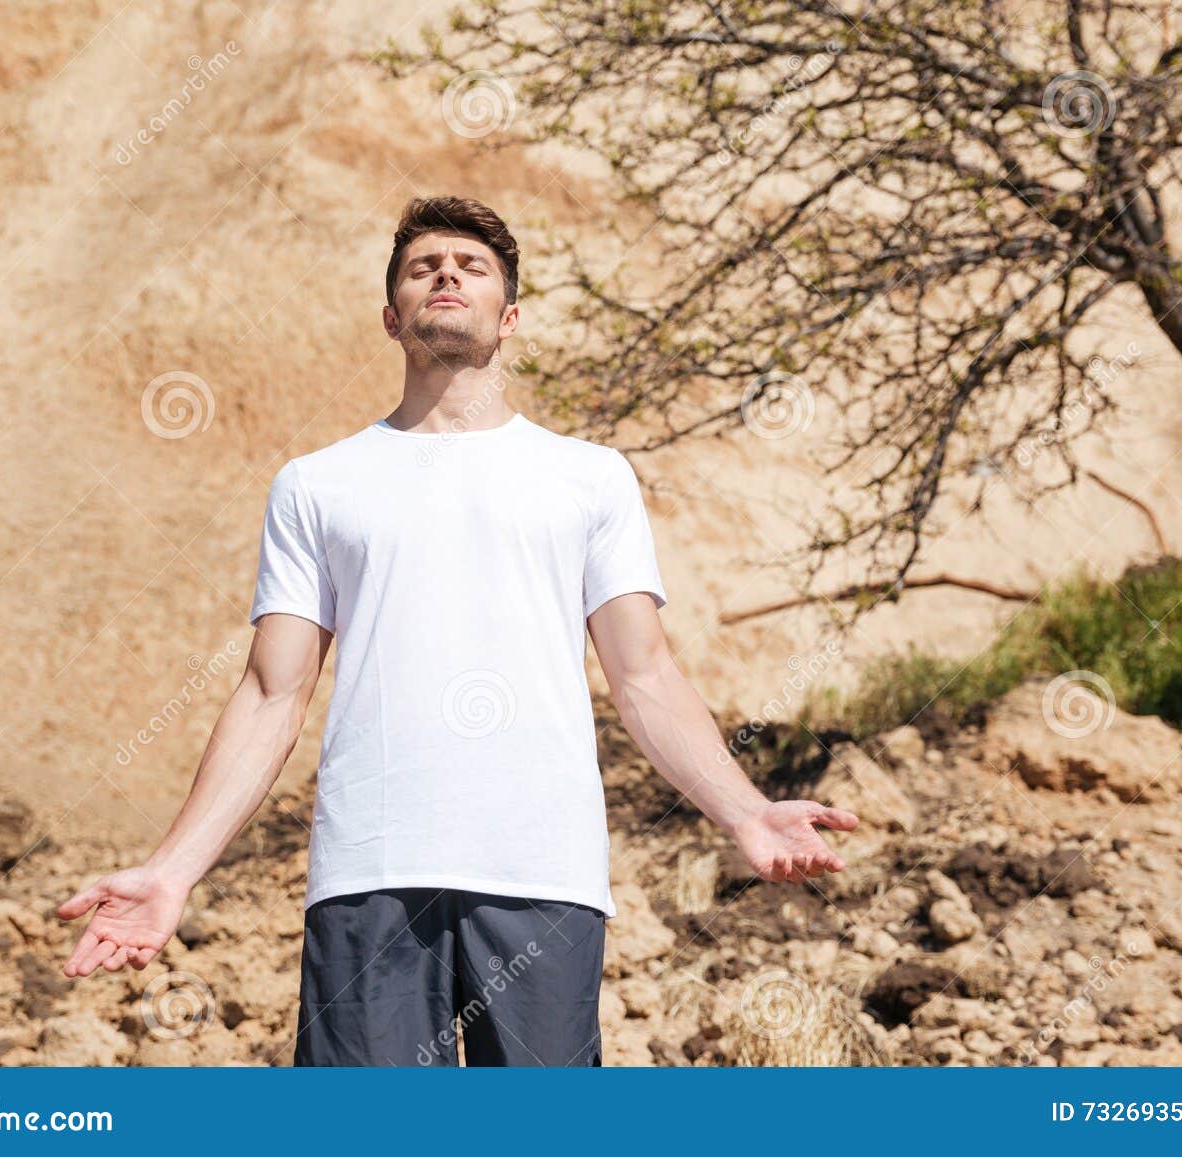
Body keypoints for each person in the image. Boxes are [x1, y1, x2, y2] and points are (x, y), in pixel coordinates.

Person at [56, 195, 859, 1066]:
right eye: (421, 266)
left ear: (508, 317)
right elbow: (271, 693)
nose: (445, 274)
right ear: (392, 316)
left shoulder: (589, 478)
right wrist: (174, 868)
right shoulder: (317, 484)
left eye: (470, 267)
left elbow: (645, 676)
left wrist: (744, 811)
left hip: (542, 875)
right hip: (369, 873)